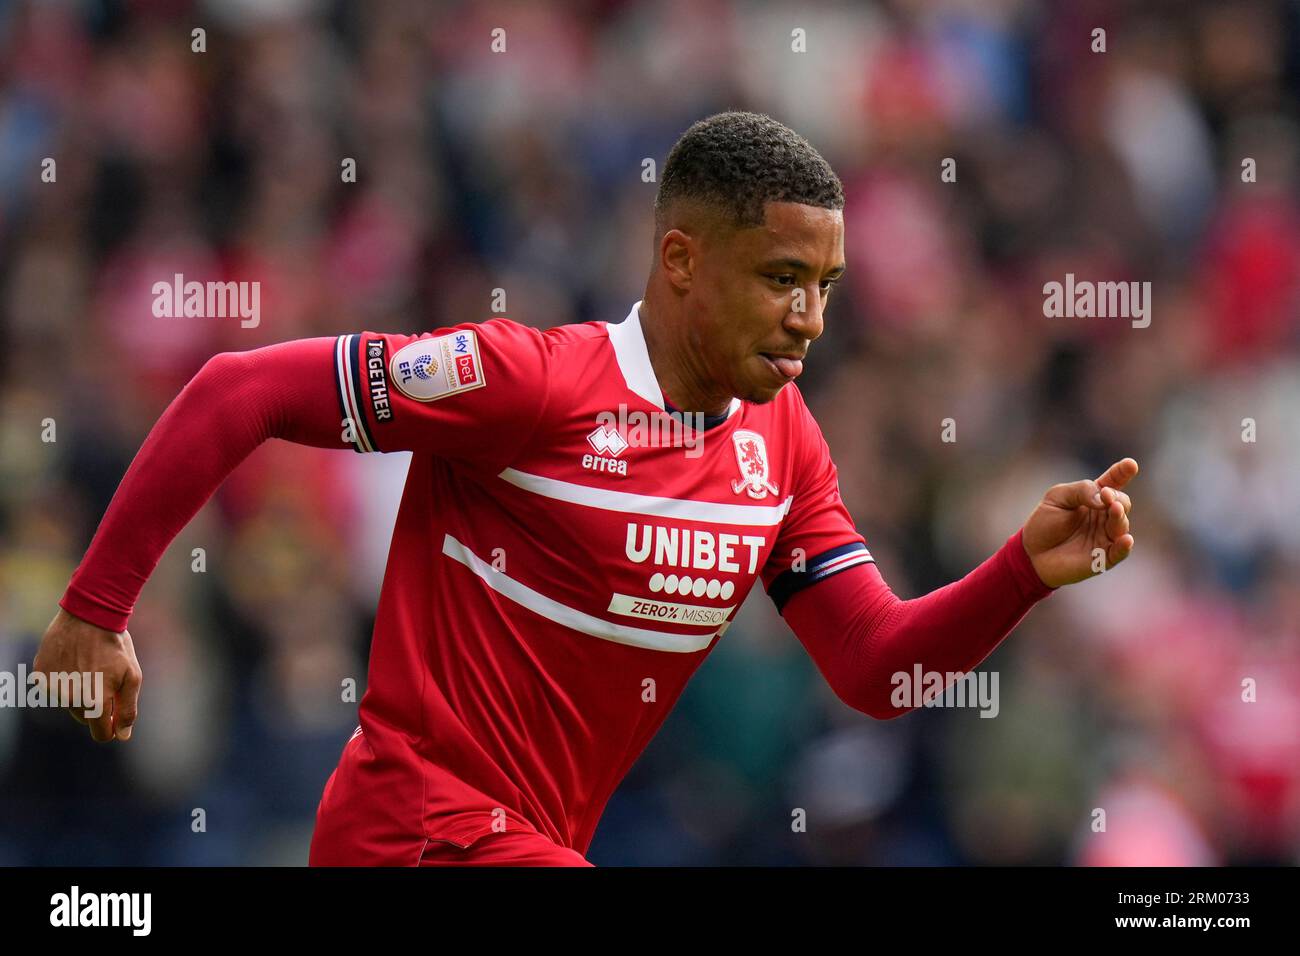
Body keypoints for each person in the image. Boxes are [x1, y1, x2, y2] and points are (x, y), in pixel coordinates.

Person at [35, 111, 1137, 866]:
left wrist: (1020, 574)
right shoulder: (530, 383)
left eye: (827, 285)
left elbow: (873, 666)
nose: (810, 316)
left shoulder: (784, 443)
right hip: (411, 832)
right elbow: (237, 390)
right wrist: (95, 609)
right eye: (782, 278)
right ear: (680, 261)